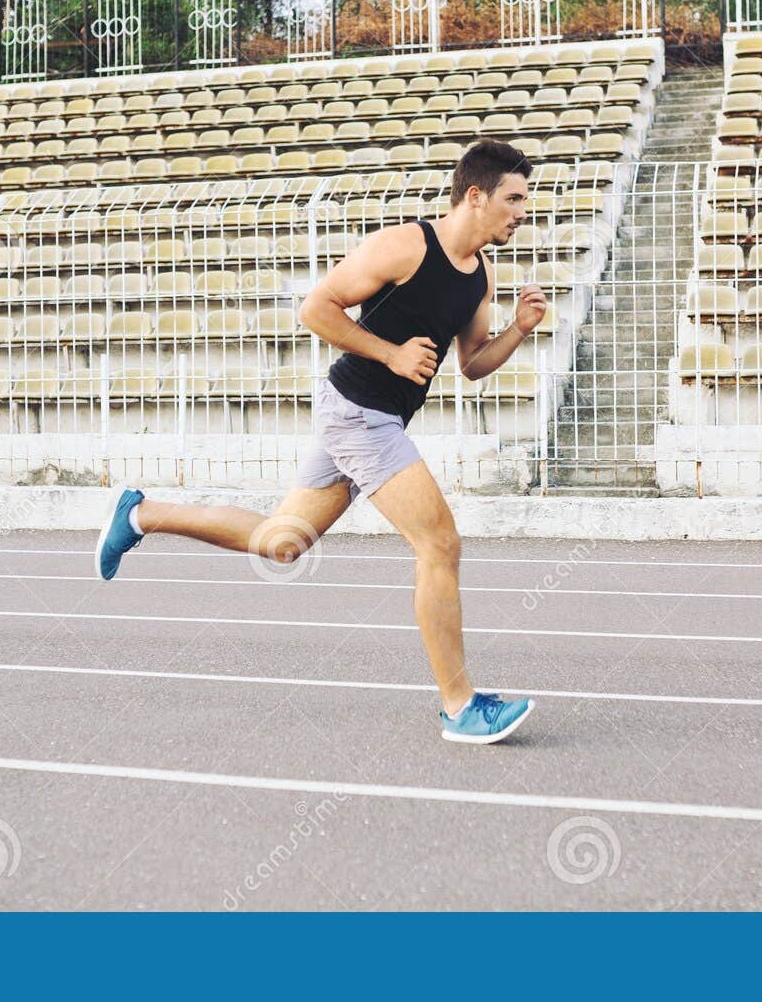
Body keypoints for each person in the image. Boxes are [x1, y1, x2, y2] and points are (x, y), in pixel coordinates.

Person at [95, 140, 547, 744]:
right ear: (476, 195)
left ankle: (141, 513)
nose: (522, 211)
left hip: (373, 417)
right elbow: (317, 308)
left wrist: (517, 330)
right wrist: (389, 351)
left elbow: (471, 363)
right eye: (514, 198)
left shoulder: (481, 274)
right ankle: (460, 705)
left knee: (283, 544)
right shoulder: (406, 245)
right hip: (359, 412)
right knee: (439, 544)